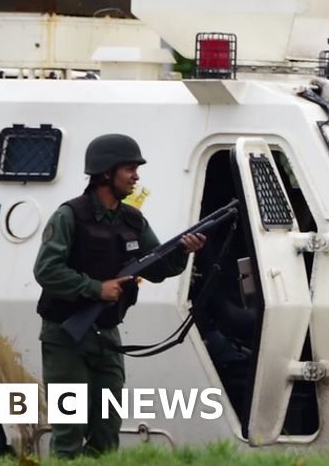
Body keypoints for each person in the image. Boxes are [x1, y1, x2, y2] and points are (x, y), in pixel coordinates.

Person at [33, 133, 205, 457]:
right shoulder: (70, 215)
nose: (136, 176)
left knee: (107, 436)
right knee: (69, 436)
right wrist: (96, 288)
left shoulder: (132, 220)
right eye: (130, 168)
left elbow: (157, 267)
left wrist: (183, 252)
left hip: (107, 338)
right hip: (66, 337)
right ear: (105, 173)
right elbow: (46, 270)